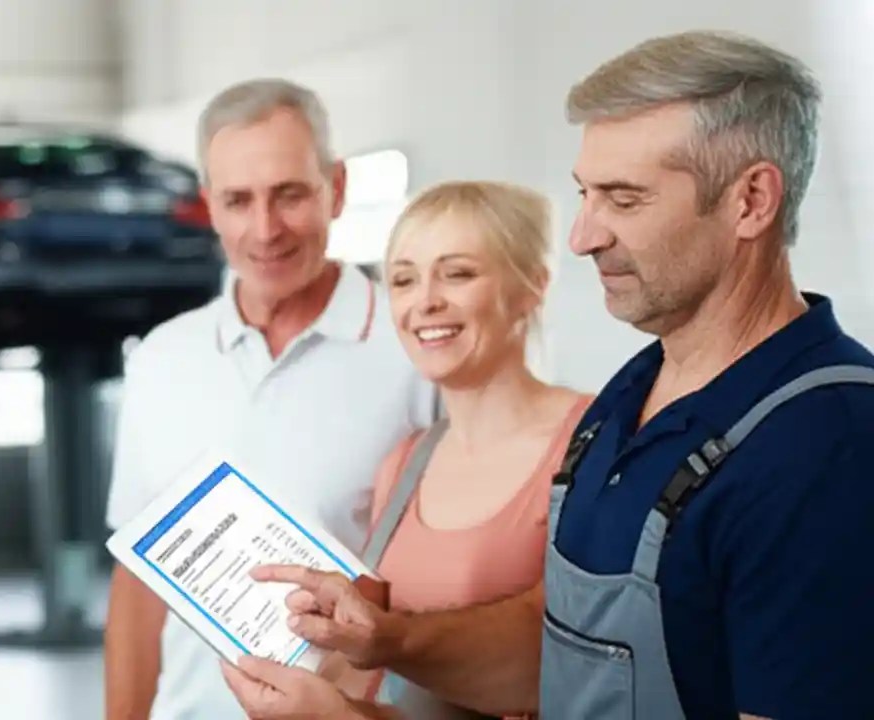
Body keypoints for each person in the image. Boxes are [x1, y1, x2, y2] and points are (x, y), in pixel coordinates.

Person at [221, 29, 874, 719]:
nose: (582, 236)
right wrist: (386, 641)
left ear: (751, 202)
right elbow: (555, 657)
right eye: (585, 195)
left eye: (623, 200)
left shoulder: (828, 447)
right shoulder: (627, 400)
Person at [102, 78, 438, 720]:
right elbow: (138, 587)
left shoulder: (414, 353)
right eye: (238, 201)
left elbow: (448, 588)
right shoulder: (160, 360)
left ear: (336, 190)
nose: (265, 230)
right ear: (209, 207)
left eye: (289, 195)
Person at [324, 181, 590, 719]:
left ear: (534, 285)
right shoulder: (405, 463)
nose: (425, 301)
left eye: (458, 273)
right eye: (403, 279)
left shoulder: (595, 442)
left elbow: (581, 668)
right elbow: (383, 676)